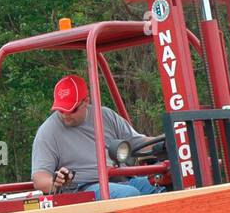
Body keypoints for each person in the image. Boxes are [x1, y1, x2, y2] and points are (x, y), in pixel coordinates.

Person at [30, 74, 164, 199]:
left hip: (121, 179)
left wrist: (169, 139)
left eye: (72, 110)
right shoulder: (48, 132)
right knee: (129, 195)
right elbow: (39, 179)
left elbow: (138, 143)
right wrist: (56, 182)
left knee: (166, 184)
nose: (65, 115)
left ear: (86, 101)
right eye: (61, 110)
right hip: (85, 189)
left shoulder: (105, 115)